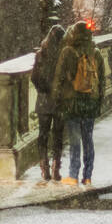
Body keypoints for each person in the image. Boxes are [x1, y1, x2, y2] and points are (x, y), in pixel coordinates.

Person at [52, 21, 107, 186]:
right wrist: (98, 102)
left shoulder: (67, 52)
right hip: (90, 103)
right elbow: (102, 81)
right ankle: (88, 176)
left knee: (75, 141)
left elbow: (58, 79)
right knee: (88, 140)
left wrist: (57, 100)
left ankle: (73, 175)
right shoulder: (95, 53)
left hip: (72, 103)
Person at [31, 22, 67, 182]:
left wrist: (44, 89)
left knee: (43, 135)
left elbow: (34, 78)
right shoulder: (65, 55)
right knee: (58, 135)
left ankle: (44, 167)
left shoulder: (41, 54)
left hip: (44, 101)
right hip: (59, 101)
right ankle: (56, 168)